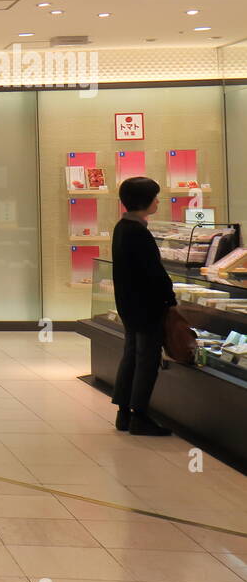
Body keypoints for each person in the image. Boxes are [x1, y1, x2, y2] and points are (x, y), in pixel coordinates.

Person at [110, 176, 175, 436]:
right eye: (155, 196)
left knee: (131, 356)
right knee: (147, 360)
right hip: (147, 307)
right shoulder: (138, 232)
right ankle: (140, 415)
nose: (158, 201)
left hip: (129, 305)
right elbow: (153, 273)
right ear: (145, 200)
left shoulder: (122, 227)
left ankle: (124, 412)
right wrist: (169, 299)